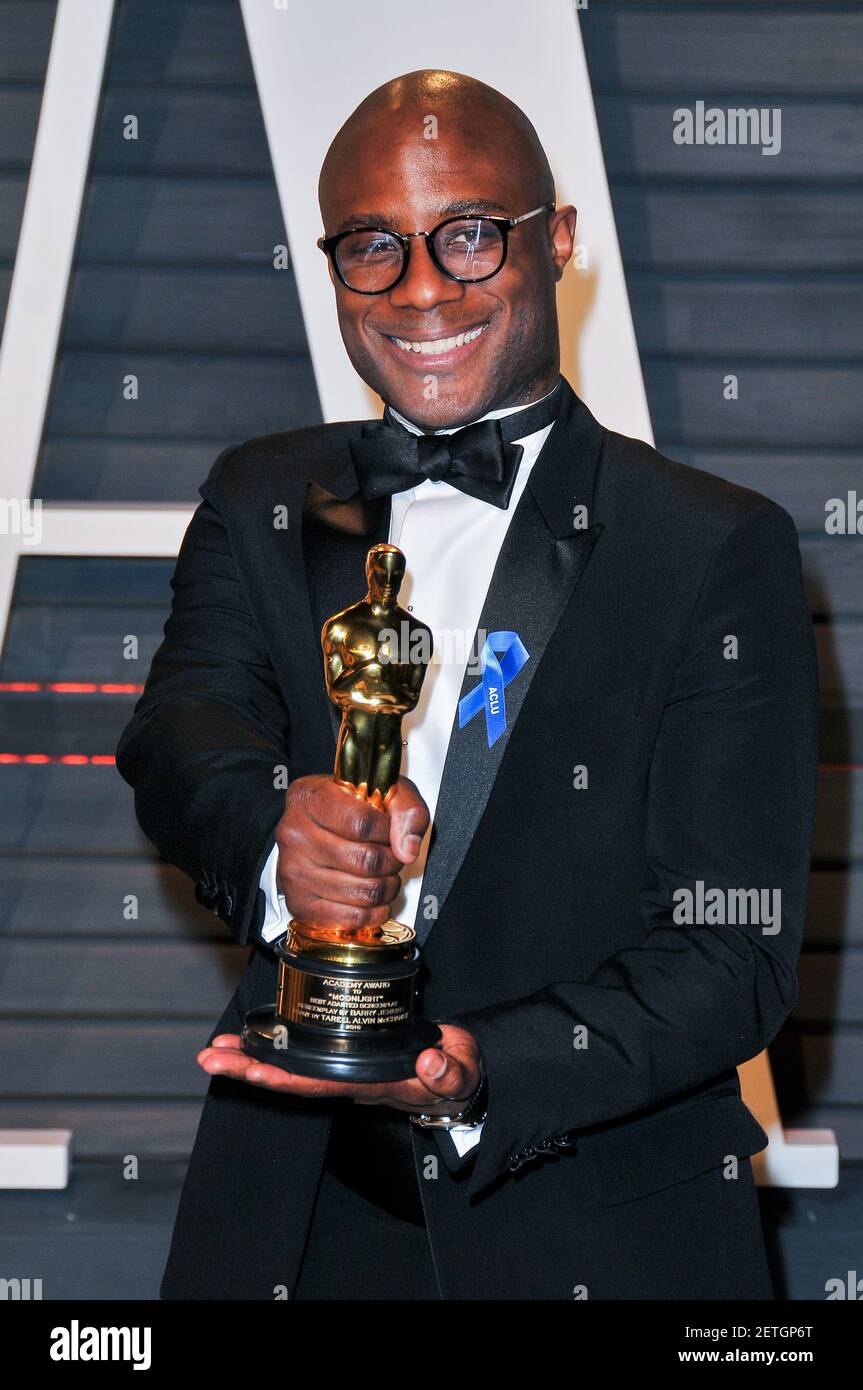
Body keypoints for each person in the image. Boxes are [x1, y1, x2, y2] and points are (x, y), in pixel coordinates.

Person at [116, 68, 819, 1301]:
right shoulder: (256, 495)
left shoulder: (710, 546)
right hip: (287, 1221)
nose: (422, 289)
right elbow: (182, 733)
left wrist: (476, 1069)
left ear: (555, 241)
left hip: (597, 1232)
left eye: (468, 235)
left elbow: (730, 954)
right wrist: (284, 845)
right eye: (374, 247)